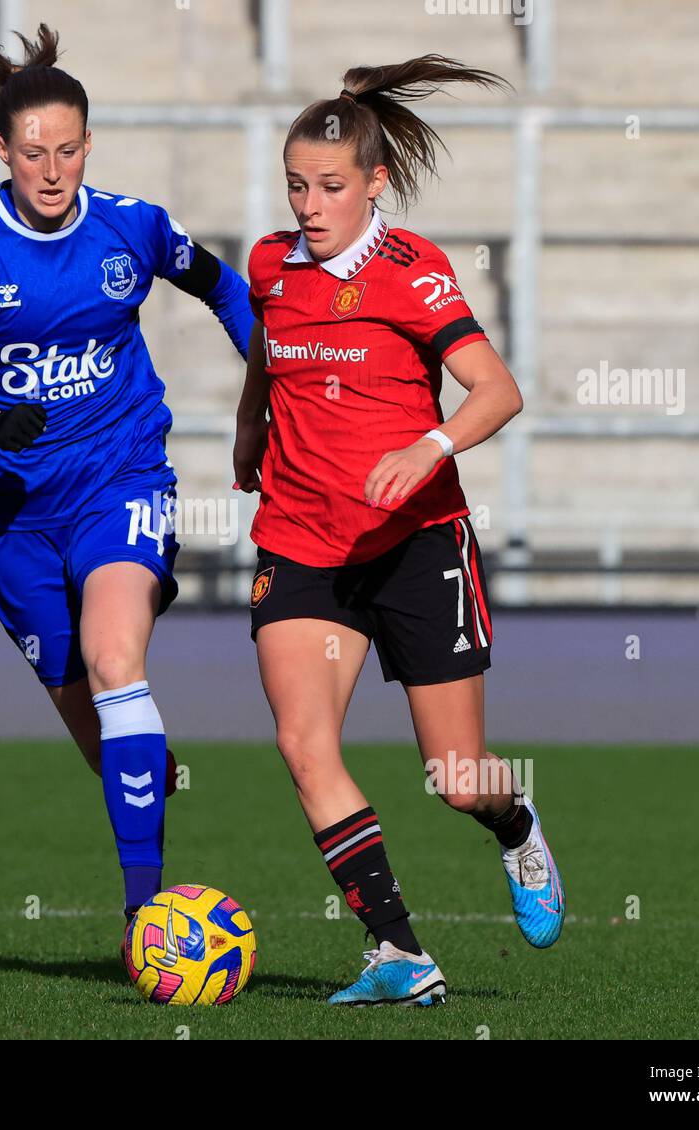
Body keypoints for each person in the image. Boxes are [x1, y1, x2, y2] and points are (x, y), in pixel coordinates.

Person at [0, 25, 253, 930]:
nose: (51, 172)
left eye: (67, 150)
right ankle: (135, 764)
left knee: (115, 660)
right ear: (3, 151)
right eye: (31, 153)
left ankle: (149, 923)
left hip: (119, 474)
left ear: (89, 145)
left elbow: (226, 288)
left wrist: (272, 394)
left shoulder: (133, 226)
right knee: (92, 720)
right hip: (9, 508)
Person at [233, 55, 562, 1007]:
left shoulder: (414, 272)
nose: (309, 203)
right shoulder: (269, 264)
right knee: (305, 745)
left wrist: (428, 445)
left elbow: (498, 391)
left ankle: (515, 825)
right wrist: (252, 424)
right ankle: (398, 953)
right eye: (296, 184)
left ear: (374, 182)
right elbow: (269, 349)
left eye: (330, 185)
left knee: (457, 779)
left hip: (417, 543)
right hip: (301, 537)